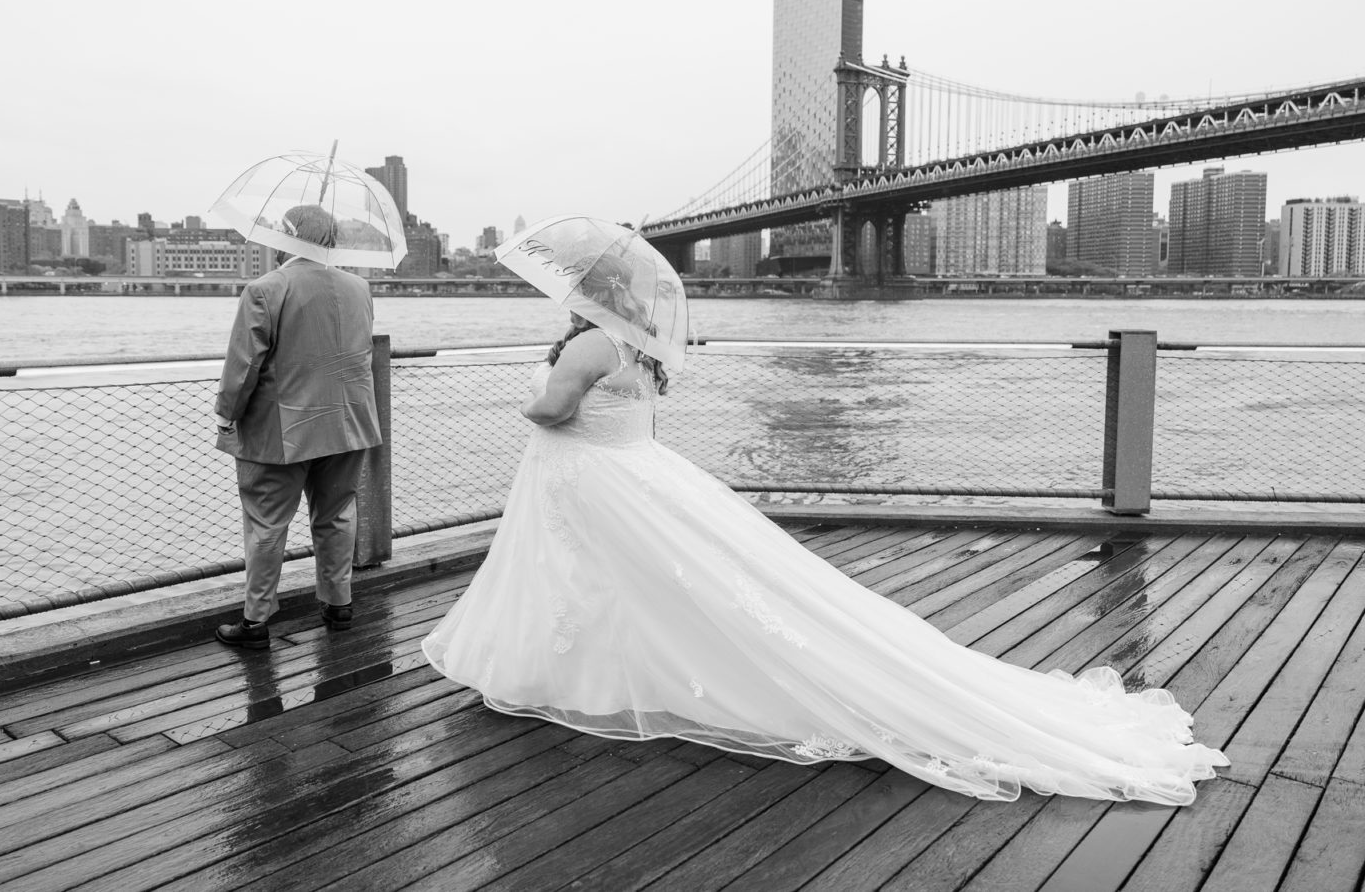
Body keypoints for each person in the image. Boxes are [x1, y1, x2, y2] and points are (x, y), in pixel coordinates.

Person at [422, 272, 1229, 804]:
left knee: (596, 582)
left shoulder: (589, 342)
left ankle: (579, 680)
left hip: (592, 481)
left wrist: (525, 403)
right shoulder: (634, 343)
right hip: (628, 475)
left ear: (587, 289)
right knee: (633, 583)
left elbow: (556, 411)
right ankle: (591, 679)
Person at [213, 204, 380, 649]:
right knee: (338, 514)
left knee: (266, 524)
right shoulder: (359, 287)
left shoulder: (266, 289)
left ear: (287, 237)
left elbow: (244, 365)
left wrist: (227, 412)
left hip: (280, 429)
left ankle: (255, 621)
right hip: (347, 423)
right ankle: (339, 604)